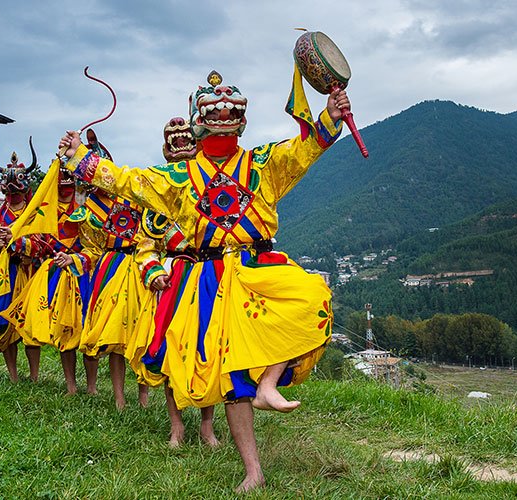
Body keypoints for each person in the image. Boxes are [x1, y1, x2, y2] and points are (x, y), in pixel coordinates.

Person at [57, 70, 349, 492]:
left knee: (313, 298)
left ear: (241, 121)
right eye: (215, 113)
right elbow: (127, 181)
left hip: (257, 264)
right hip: (209, 280)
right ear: (200, 121)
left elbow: (303, 150)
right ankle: (253, 470)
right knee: (230, 377)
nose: (223, 118)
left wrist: (330, 116)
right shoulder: (177, 178)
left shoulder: (262, 163)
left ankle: (268, 383)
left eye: (231, 112)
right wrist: (80, 158)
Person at [130, 117, 218, 447]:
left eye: (187, 143)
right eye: (174, 144)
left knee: (207, 350)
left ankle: (207, 426)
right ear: (166, 152)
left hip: (209, 276)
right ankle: (177, 426)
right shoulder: (158, 197)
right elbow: (145, 245)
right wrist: (153, 271)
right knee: (170, 353)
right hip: (174, 282)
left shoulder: (212, 188)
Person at [74, 129, 168, 410]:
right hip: (110, 268)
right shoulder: (89, 208)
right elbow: (91, 247)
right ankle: (119, 398)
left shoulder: (133, 196)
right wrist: (77, 259)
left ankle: (143, 397)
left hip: (139, 264)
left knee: (142, 330)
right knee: (115, 338)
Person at [2, 168, 99, 395]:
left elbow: (96, 247)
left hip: (84, 275)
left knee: (88, 330)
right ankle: (71, 385)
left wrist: (77, 258)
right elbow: (37, 245)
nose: (65, 185)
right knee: (64, 331)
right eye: (61, 180)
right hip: (56, 276)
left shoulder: (88, 210)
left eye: (69, 180)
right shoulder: (46, 213)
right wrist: (15, 241)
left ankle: (92, 387)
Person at [0, 139, 55, 383]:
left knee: (29, 326)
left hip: (30, 275)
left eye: (16, 187)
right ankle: (13, 375)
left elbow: (46, 247)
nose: (12, 192)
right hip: (3, 277)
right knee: (3, 324)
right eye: (8, 188)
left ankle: (35, 375)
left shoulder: (36, 217)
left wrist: (18, 242)